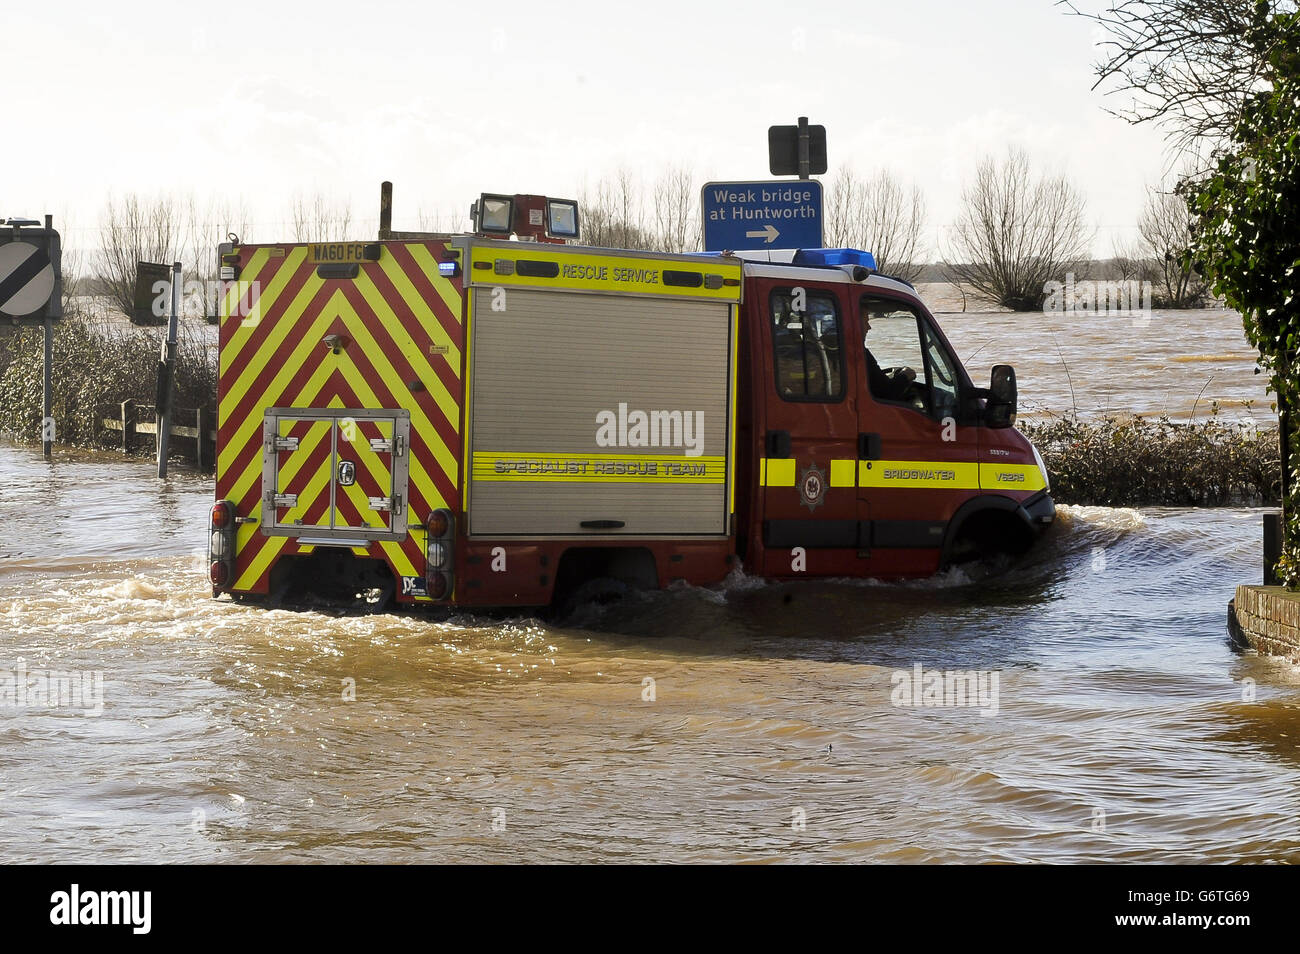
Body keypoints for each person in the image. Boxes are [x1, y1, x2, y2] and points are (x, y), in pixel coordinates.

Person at [861, 301, 916, 401]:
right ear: (854, 323)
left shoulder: (840, 350)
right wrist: (905, 375)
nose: (869, 327)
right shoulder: (858, 353)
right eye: (865, 321)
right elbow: (886, 393)